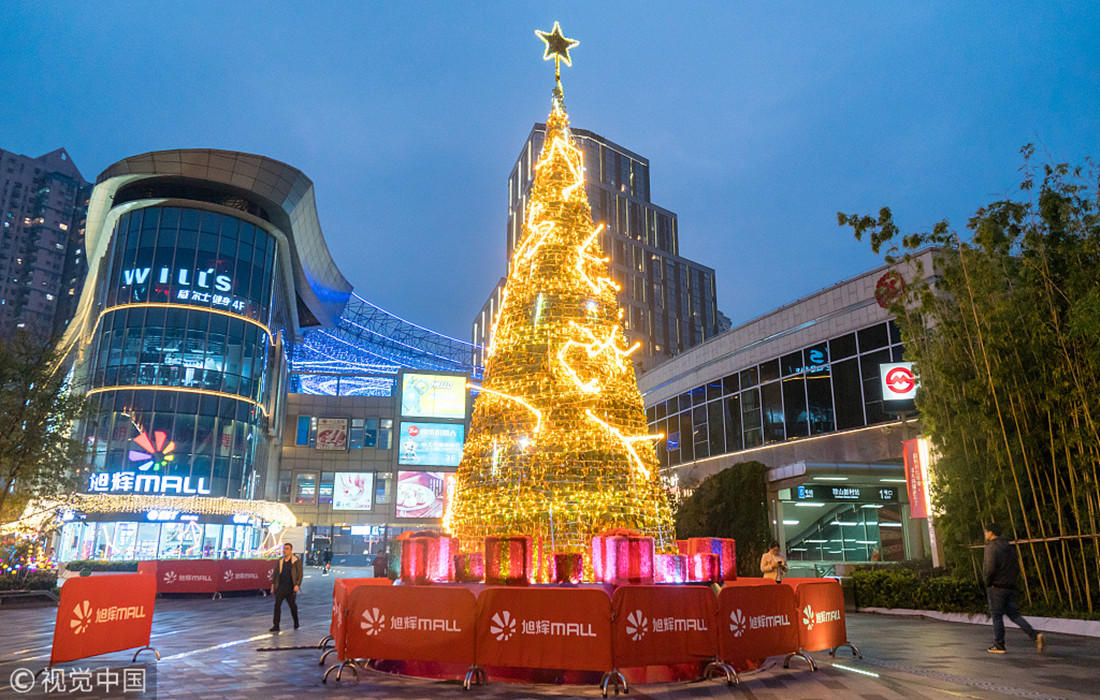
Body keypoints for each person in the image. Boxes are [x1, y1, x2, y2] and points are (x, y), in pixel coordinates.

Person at [983, 523, 1043, 653]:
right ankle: (1034, 635)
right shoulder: (1009, 547)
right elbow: (1016, 566)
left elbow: (990, 568)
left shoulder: (991, 547)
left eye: (986, 532)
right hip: (1010, 586)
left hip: (996, 587)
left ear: (992, 532)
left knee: (997, 615)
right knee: (1014, 615)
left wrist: (988, 583)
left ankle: (999, 644)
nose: (985, 534)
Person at [270, 543, 302, 632]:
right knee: (277, 606)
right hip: (280, 587)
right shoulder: (280, 561)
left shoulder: (296, 561)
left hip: (291, 587)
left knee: (292, 606)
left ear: (291, 550)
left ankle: (296, 622)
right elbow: (276, 574)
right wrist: (273, 586)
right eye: (284, 549)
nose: (285, 550)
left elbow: (300, 574)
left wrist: (297, 585)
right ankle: (276, 625)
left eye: (287, 549)